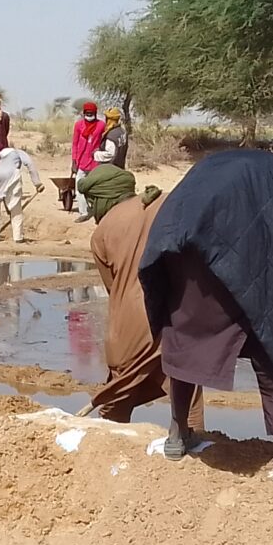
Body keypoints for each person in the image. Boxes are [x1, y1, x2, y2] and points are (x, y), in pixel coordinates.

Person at [138, 150, 273, 481]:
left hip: (174, 245)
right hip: (229, 247)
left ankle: (177, 434)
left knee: (185, 331)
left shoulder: (256, 167)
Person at [84, 165, 203, 434]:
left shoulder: (102, 232)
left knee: (117, 396)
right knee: (187, 386)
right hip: (179, 311)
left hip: (130, 324)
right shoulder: (165, 203)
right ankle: (194, 440)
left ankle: (106, 447)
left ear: (101, 199)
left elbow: (114, 289)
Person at [0, 145, 40, 243]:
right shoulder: (19, 153)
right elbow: (30, 165)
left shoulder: (0, 160)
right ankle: (18, 237)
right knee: (16, 207)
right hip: (11, 175)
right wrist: (37, 183)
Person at [69, 101, 106, 219]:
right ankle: (83, 212)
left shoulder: (101, 125)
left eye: (91, 113)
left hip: (95, 162)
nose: (89, 115)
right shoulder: (79, 125)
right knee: (79, 186)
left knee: (95, 187)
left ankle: (96, 210)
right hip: (81, 161)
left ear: (95, 113)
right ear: (84, 113)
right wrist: (74, 160)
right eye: (87, 113)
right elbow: (74, 143)